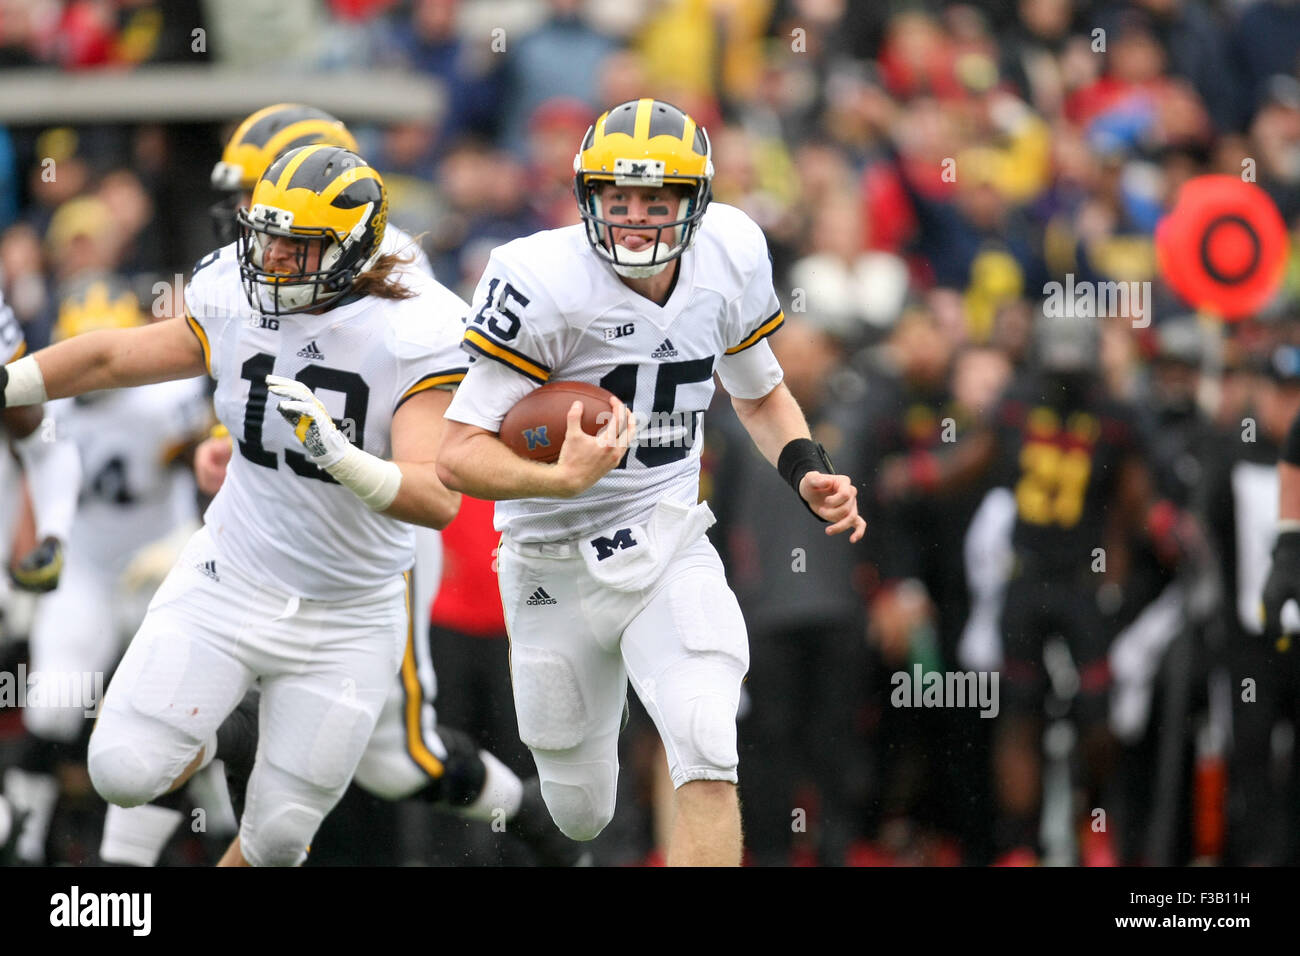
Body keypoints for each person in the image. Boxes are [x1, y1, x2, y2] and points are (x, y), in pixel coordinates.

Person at [0, 143, 467, 867]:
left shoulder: (414, 333)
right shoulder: (235, 292)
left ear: (352, 251)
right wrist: (8, 383)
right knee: (121, 769)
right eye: (268, 237)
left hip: (349, 611)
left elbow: (436, 498)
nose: (274, 258)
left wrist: (345, 459)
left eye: (298, 246)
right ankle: (229, 731)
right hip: (232, 573)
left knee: (278, 840)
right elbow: (109, 359)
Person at [436, 98, 867, 866]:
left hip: (665, 534)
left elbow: (759, 392)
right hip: (549, 558)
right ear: (589, 199)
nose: (634, 217)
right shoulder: (538, 279)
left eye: (656, 201)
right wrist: (560, 478)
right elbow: (458, 453)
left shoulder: (730, 253)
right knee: (578, 810)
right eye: (618, 198)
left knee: (706, 741)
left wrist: (807, 468)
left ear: (694, 204)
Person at [0, 277, 208, 865]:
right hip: (85, 566)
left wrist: (192, 531)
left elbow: (211, 459)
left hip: (159, 563)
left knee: (179, 711)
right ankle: (29, 840)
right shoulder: (46, 396)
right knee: (53, 703)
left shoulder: (165, 398)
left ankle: (206, 831)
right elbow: (30, 468)